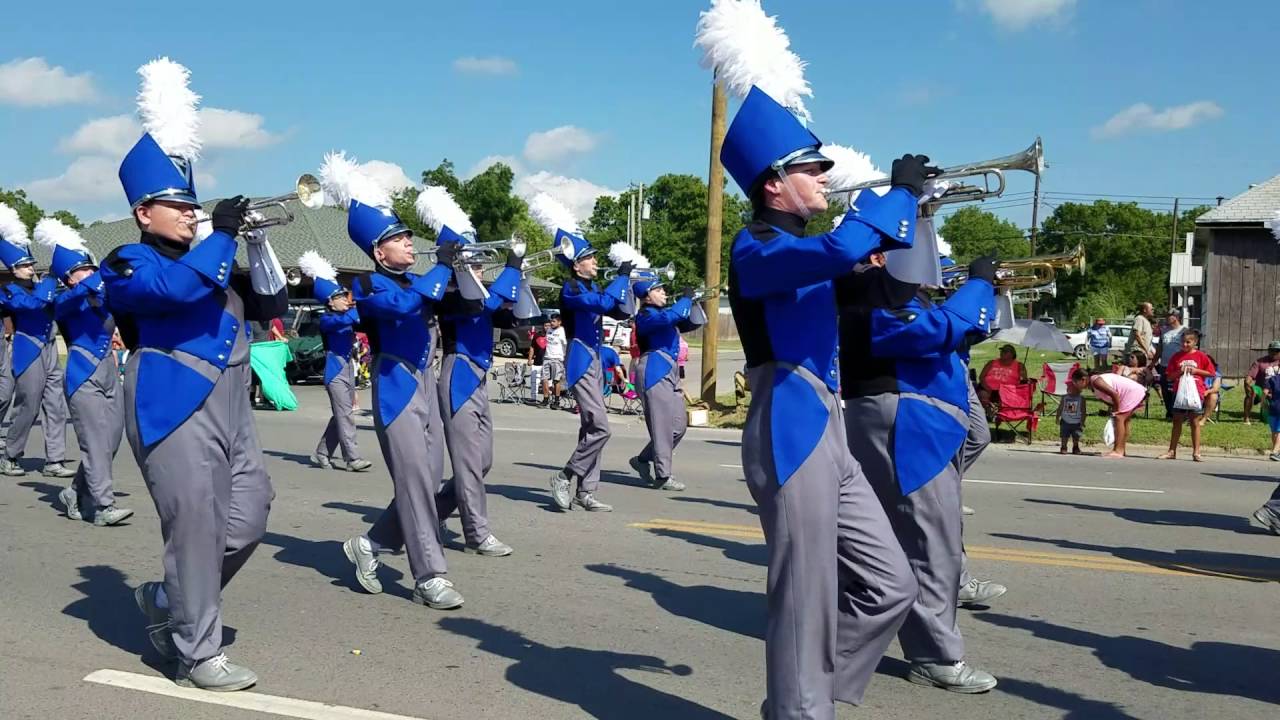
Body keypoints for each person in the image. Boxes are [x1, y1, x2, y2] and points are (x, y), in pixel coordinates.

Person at [723, 82, 932, 715]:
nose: (823, 177)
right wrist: (893, 194)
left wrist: (918, 214)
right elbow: (841, 248)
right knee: (804, 597)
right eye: (809, 169)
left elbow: (896, 294)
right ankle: (801, 706)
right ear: (772, 185)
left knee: (893, 585)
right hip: (788, 423)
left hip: (828, 428)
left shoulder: (812, 256)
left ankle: (805, 697)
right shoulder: (756, 247)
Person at [104, 57, 284, 691]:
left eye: (193, 204)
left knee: (251, 515)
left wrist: (255, 243)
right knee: (196, 525)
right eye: (175, 204)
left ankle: (169, 597)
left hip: (233, 401)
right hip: (174, 397)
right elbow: (175, 292)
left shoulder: (215, 257)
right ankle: (196, 651)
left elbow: (272, 306)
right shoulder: (126, 260)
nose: (189, 213)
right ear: (143, 212)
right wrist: (223, 236)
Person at [839, 234, 1001, 694]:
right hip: (909, 423)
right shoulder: (872, 289)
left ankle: (851, 632)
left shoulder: (895, 291)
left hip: (921, 421)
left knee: (920, 540)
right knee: (931, 544)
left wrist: (982, 292)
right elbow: (936, 331)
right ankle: (934, 656)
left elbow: (959, 331)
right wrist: (978, 285)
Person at [323, 154, 465, 609]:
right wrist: (443, 266)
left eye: (407, 235)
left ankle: (369, 545)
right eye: (397, 239)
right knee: (416, 482)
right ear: (378, 252)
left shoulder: (421, 280)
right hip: (397, 389)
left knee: (432, 479)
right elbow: (404, 310)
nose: (407, 243)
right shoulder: (366, 284)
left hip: (424, 382)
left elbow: (471, 305)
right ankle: (430, 576)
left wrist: (460, 255)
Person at [421, 187, 525, 558]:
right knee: (467, 465)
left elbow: (512, 310)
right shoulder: (449, 292)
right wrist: (511, 268)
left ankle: (430, 513)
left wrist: (517, 274)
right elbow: (484, 302)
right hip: (459, 376)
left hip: (477, 378)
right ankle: (476, 533)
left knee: (482, 462)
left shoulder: (475, 289)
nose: (480, 265)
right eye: (473, 259)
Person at [534, 192, 631, 513]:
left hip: (594, 357)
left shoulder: (592, 286)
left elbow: (619, 311)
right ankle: (564, 476)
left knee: (592, 428)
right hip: (578, 360)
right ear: (577, 264)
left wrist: (630, 284)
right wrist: (621, 277)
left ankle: (586, 491)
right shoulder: (571, 288)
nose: (596, 262)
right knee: (601, 426)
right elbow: (603, 304)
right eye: (590, 258)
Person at [35, 218, 133, 526]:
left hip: (108, 370)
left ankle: (75, 490)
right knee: (94, 442)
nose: (89, 273)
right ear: (68, 277)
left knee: (112, 441)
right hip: (82, 373)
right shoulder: (64, 300)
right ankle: (103, 506)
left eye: (90, 268)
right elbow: (51, 301)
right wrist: (103, 270)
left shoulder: (101, 293)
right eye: (82, 270)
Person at [0, 206, 75, 480]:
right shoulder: (9, 290)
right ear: (13, 269)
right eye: (23, 266)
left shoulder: (47, 285)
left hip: (49, 346)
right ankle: (10, 454)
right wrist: (51, 281)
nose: (30, 268)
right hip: (26, 346)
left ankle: (54, 459)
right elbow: (31, 306)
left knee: (55, 405)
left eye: (30, 264)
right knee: (28, 404)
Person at [299, 251, 372, 473]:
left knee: (342, 414)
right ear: (330, 302)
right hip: (334, 369)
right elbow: (349, 319)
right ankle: (352, 458)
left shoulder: (344, 315)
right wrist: (359, 304)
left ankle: (321, 453)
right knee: (345, 415)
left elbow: (360, 321)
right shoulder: (328, 319)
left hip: (347, 366)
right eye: (341, 297)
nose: (345, 299)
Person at [629, 278, 698, 492]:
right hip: (654, 370)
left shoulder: (664, 313)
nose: (665, 293)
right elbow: (672, 316)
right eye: (659, 290)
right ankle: (663, 475)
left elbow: (693, 322)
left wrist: (692, 302)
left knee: (678, 427)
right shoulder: (646, 315)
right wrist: (685, 298)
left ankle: (642, 460)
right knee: (662, 427)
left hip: (671, 370)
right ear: (647, 296)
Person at [1159, 330, 1214, 462]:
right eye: (1182, 342)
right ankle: (1172, 450)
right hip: (1179, 392)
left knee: (1194, 422)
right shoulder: (1176, 357)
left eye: (1188, 342)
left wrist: (1196, 371)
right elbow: (1170, 376)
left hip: (1196, 392)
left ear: (1195, 342)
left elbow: (1211, 373)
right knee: (1177, 421)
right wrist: (1179, 371)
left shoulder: (1201, 356)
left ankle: (1196, 452)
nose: (1185, 344)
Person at [1086, 371, 1146, 458]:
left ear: (1083, 380)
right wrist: (1113, 409)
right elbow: (1109, 400)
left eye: (1075, 382)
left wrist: (1117, 411)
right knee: (1124, 421)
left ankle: (1118, 450)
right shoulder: (1094, 387)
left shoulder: (1095, 381)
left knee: (1119, 419)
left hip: (1131, 392)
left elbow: (1114, 393)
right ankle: (1121, 448)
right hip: (1130, 393)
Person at [977, 344, 1027, 411]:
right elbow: (981, 377)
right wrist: (987, 388)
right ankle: (989, 411)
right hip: (987, 389)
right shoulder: (992, 362)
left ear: (1012, 354)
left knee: (1004, 399)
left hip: (1007, 391)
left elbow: (1024, 382)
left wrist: (1022, 376)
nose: (1002, 353)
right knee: (983, 396)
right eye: (1002, 351)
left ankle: (998, 413)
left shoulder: (1019, 366)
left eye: (1005, 351)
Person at [1155, 309, 1186, 419]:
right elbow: (1160, 348)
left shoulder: (1184, 330)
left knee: (1177, 388)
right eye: (1166, 315)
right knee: (1165, 388)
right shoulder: (1164, 331)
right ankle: (1169, 411)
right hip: (1164, 364)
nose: (1167, 318)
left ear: (1176, 317)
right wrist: (1153, 362)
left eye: (1170, 316)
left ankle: (1178, 412)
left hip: (1178, 365)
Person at [1243, 341, 1280, 425]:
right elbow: (1250, 376)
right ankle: (1246, 418)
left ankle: (1266, 412)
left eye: (1277, 351)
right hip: (1261, 389)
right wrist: (1247, 382)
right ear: (1268, 351)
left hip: (1277, 392)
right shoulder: (1260, 362)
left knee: (1267, 420)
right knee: (1253, 391)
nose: (1274, 353)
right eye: (1272, 350)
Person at [1057, 370, 1086, 454]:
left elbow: (1083, 410)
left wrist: (1082, 420)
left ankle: (1075, 447)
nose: (1068, 389)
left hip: (1076, 422)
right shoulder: (1065, 397)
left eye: (1070, 387)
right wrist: (1058, 417)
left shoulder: (1081, 398)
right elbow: (1060, 407)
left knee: (1076, 436)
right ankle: (1064, 446)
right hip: (1065, 420)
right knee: (1064, 435)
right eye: (1067, 387)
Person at [543, 313, 567, 408]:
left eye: (554, 321)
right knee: (544, 379)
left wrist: (563, 357)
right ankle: (545, 399)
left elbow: (565, 345)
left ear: (559, 322)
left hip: (557, 358)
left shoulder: (561, 331)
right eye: (551, 321)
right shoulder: (548, 330)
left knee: (556, 380)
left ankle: (556, 401)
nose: (551, 323)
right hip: (547, 357)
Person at [527, 322, 547, 403]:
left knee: (548, 383)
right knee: (534, 381)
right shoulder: (537, 335)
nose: (547, 327)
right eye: (546, 325)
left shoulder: (553, 336)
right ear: (543, 326)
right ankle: (533, 398)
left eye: (549, 325)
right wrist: (529, 359)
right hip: (537, 362)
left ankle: (547, 399)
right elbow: (532, 348)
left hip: (547, 363)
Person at [1265, 369, 1280, 461]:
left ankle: (1276, 452)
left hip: (1273, 408)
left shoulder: (1273, 379)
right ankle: (1275, 452)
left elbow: (1265, 392)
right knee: (1279, 432)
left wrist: (1263, 403)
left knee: (1274, 431)